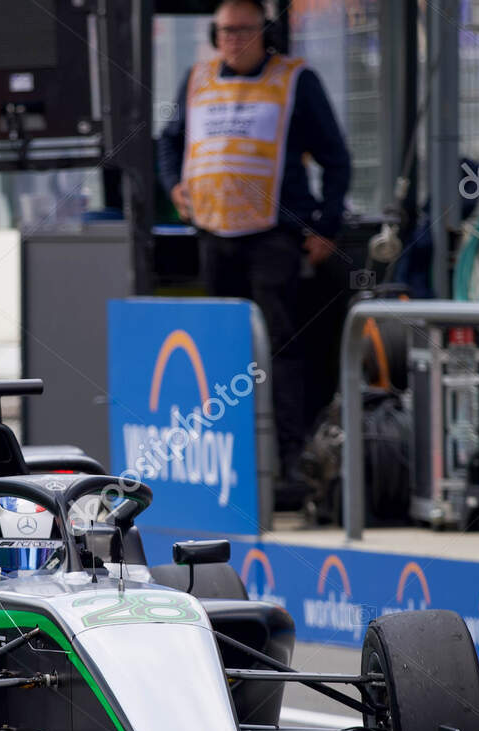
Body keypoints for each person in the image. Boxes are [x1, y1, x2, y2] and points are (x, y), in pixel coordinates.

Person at [156, 0, 351, 507]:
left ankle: (290, 465)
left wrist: (326, 226)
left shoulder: (294, 80)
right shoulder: (196, 79)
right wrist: (174, 185)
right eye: (224, 31)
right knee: (225, 354)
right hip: (215, 236)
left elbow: (336, 156)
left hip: (275, 237)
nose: (233, 39)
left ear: (264, 31)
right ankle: (235, 461)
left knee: (280, 350)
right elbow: (169, 141)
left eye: (243, 30)